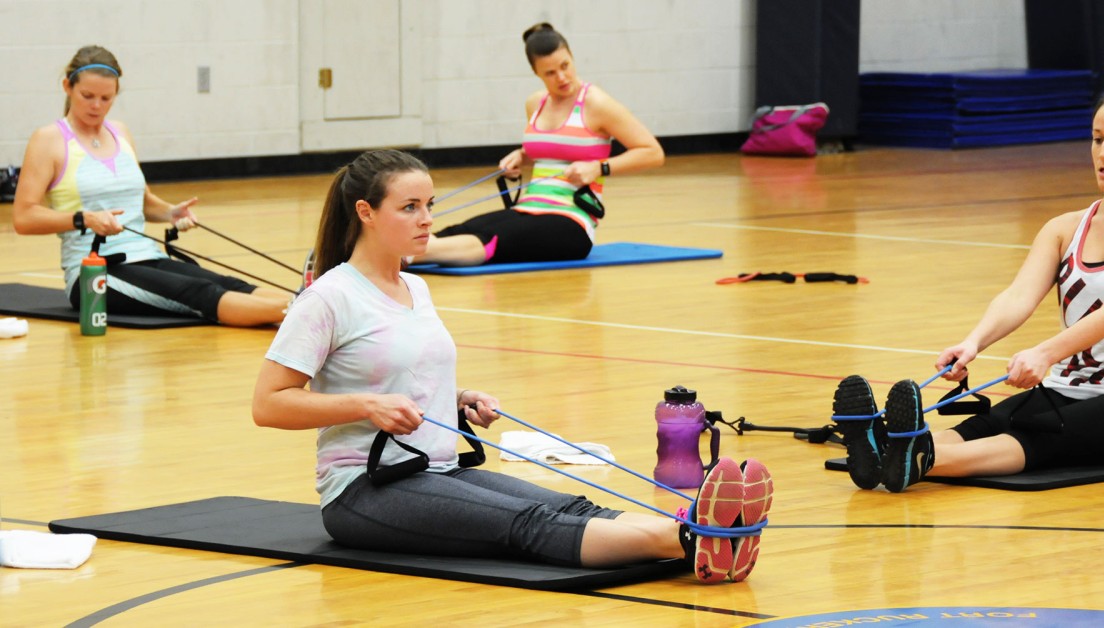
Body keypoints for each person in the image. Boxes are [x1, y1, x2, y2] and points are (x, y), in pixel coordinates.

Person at [252, 149, 772, 583]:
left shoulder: (415, 286)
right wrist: (366, 405)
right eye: (409, 207)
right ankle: (693, 539)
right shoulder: (328, 298)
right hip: (363, 491)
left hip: (435, 468)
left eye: (429, 204)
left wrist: (456, 399)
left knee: (570, 505)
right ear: (365, 212)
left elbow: (400, 376)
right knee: (527, 523)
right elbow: (268, 405)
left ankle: (699, 531)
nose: (427, 219)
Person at [834, 86, 1104, 493]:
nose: (1103, 152)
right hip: (1064, 387)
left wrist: (1045, 353)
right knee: (988, 423)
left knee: (1043, 434)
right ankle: (884, 450)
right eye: (1097, 139)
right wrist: (973, 343)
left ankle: (916, 457)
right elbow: (1017, 297)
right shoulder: (1064, 227)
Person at [12, 45, 293, 327]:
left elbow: (143, 202)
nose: (96, 105)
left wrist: (172, 213)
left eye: (106, 98)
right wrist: (84, 219)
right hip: (94, 273)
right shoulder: (49, 140)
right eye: (87, 96)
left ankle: (310, 302)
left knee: (225, 282)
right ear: (67, 87)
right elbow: (24, 218)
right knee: (201, 294)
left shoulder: (120, 133)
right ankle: (306, 314)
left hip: (146, 256)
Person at [413, 23, 664, 266]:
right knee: (460, 230)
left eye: (565, 66)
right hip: (528, 209)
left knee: (491, 240)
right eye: (550, 73)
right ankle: (403, 253)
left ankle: (406, 255)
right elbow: (551, 150)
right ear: (536, 73)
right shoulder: (536, 104)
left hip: (571, 222)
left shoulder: (597, 103)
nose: (562, 77)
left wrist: (599, 168)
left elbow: (652, 153)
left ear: (572, 57)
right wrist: (521, 157)